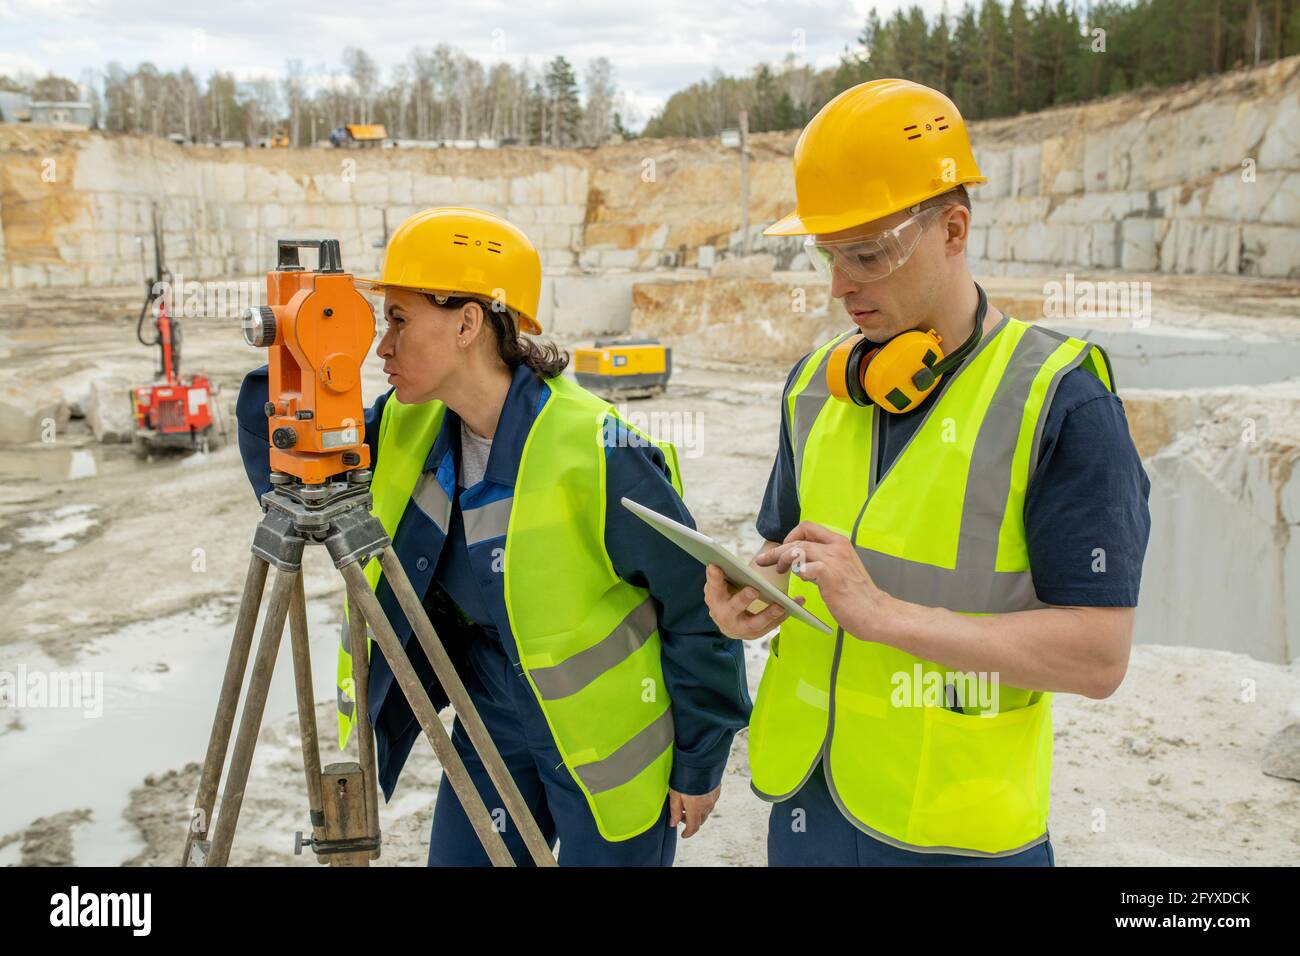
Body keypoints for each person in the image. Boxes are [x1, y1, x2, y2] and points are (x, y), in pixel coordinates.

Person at [702, 79, 1151, 866]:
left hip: (957, 828)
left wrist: (884, 617)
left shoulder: (1060, 402)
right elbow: (792, 551)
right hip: (810, 802)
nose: (840, 285)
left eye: (868, 253)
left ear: (953, 229)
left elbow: (1098, 657)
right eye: (828, 254)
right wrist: (753, 590)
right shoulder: (816, 386)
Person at [236, 206, 751, 866]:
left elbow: (698, 605)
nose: (380, 346)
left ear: (468, 322)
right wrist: (293, 346)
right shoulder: (406, 424)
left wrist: (700, 761)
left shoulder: (598, 450)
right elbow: (288, 455)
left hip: (603, 745)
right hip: (490, 720)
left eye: (397, 320)